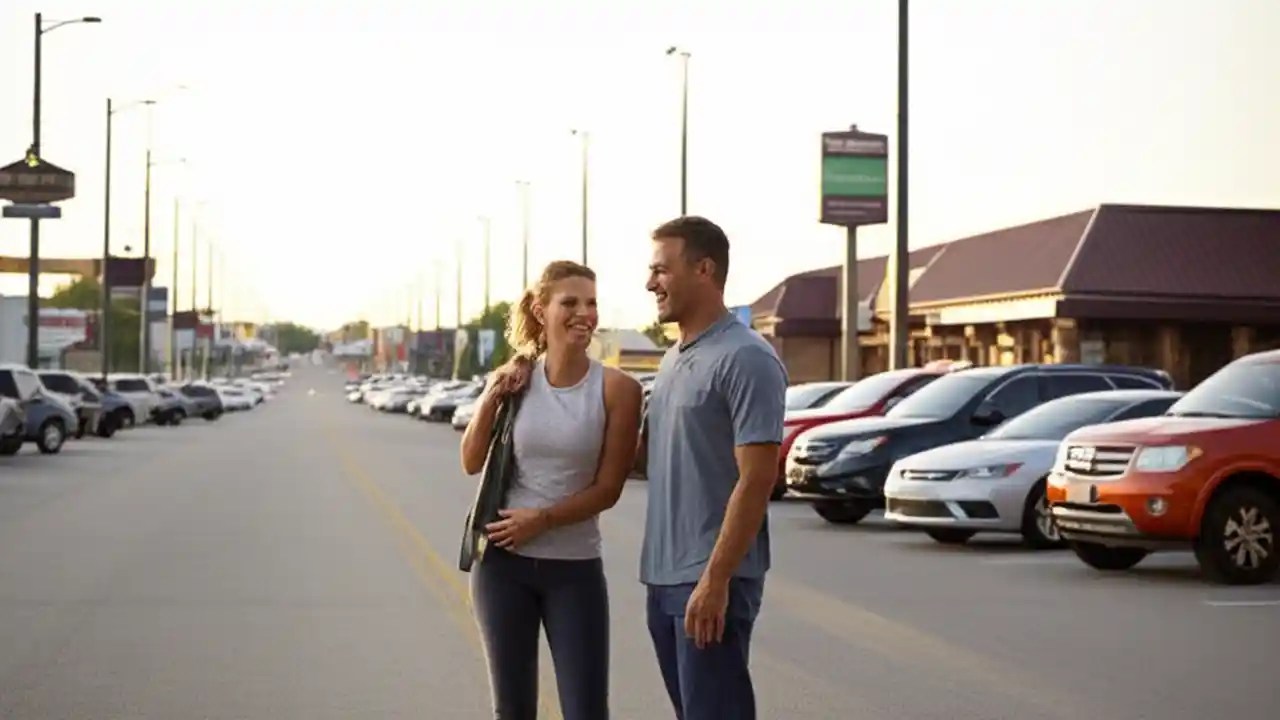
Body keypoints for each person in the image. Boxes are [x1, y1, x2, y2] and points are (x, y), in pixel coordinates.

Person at [459, 260, 643, 720]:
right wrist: (495, 395)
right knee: (513, 709)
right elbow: (470, 460)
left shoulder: (618, 389)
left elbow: (608, 490)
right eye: (571, 302)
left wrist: (540, 520)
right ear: (541, 311)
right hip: (502, 568)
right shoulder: (515, 378)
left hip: (574, 571)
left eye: (592, 303)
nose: (585, 313)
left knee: (586, 710)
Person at [639, 216, 787, 719]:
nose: (649, 283)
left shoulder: (746, 357)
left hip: (708, 579)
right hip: (664, 578)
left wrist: (715, 580)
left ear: (704, 269)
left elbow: (757, 477)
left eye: (661, 269)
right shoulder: (673, 358)